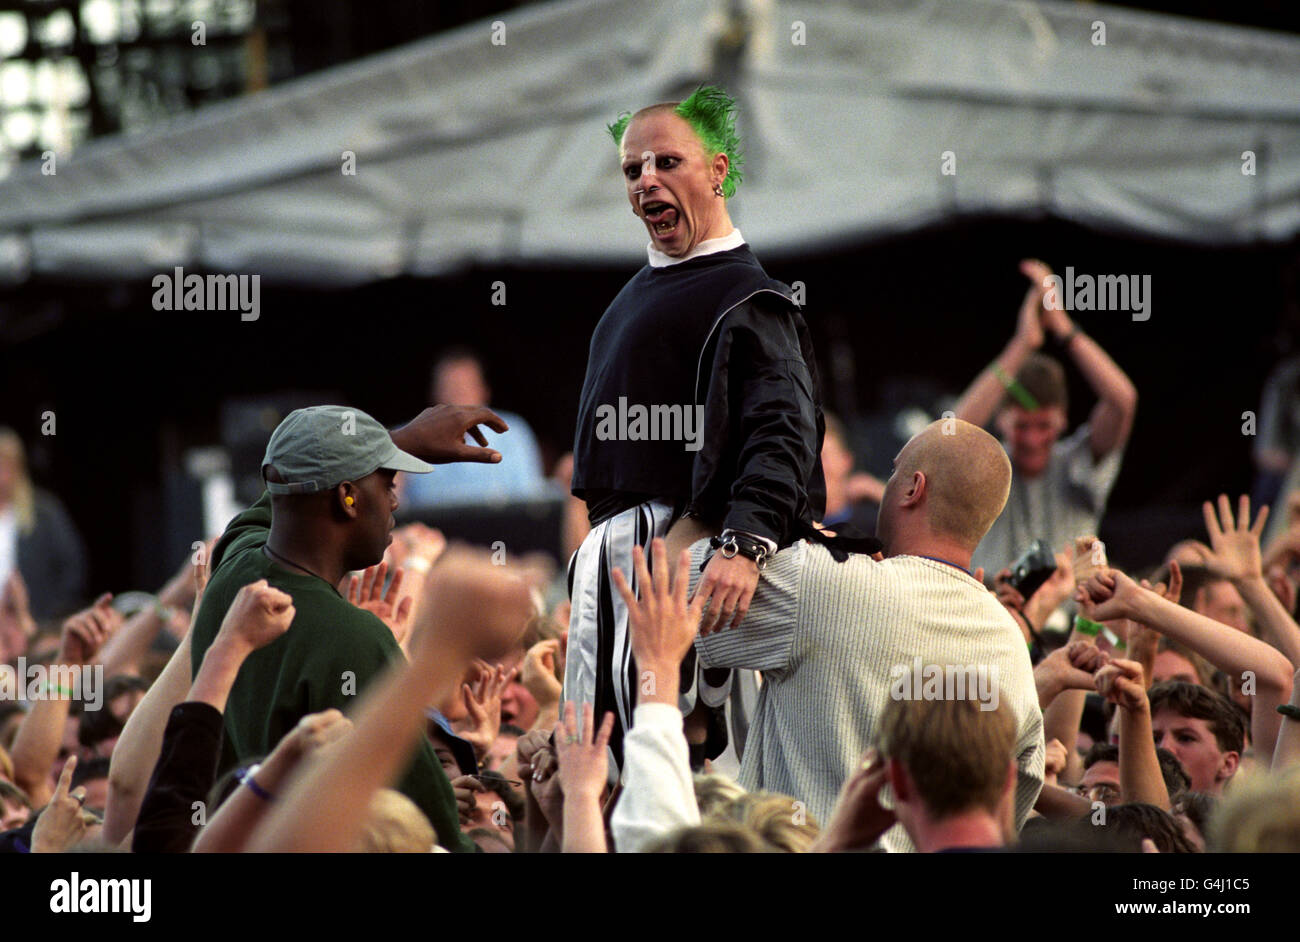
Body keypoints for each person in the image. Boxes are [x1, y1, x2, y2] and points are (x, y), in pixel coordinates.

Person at [566, 84, 836, 765]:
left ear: (717, 171)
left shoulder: (748, 297)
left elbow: (781, 428)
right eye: (633, 170)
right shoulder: (633, 295)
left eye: (666, 163)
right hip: (627, 562)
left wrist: (745, 544)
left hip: (688, 564)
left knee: (672, 776)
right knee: (600, 775)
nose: (647, 181)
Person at [689, 418, 1045, 850]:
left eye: (894, 471)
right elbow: (1016, 805)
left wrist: (767, 527)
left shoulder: (824, 581)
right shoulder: (1012, 641)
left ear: (914, 488)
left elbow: (666, 586)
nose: (886, 482)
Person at [188, 403, 512, 853]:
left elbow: (271, 500)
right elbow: (435, 834)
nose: (396, 501)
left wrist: (382, 448)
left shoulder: (234, 572)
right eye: (387, 482)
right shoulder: (353, 637)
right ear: (347, 497)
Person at [952, 261, 1137, 578]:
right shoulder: (985, 468)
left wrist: (1064, 329)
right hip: (999, 615)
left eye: (1044, 426)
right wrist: (1023, 344)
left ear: (1063, 419)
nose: (1033, 439)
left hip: (1072, 619)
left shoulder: (1078, 462)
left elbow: (1122, 401)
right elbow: (948, 435)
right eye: (1022, 426)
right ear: (1001, 419)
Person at [401, 348, 550, 507]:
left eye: (466, 388)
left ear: (484, 391)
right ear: (435, 395)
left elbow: (531, 502)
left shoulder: (513, 433)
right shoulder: (407, 439)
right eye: (451, 389)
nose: (459, 399)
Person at [0, 428, 87, 620]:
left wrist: (49, 618)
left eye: (5, 466)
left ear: (18, 469)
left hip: (33, 625)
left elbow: (71, 569)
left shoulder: (45, 512)